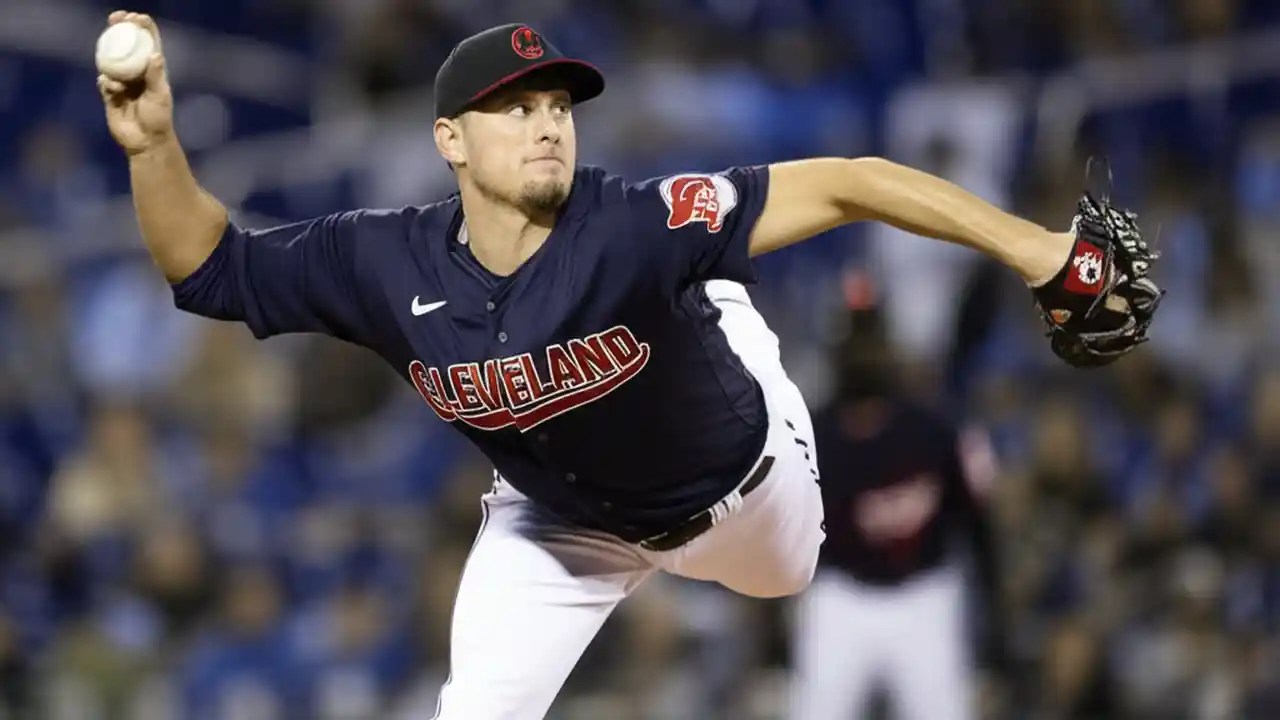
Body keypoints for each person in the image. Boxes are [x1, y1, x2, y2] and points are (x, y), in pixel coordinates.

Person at [97, 12, 1133, 719]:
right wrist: (152, 150)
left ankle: (723, 306)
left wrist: (1037, 249)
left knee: (787, 572)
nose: (548, 121)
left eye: (558, 103)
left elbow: (853, 183)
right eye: (518, 107)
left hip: (745, 494)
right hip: (560, 522)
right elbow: (212, 269)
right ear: (449, 140)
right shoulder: (381, 259)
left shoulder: (631, 224)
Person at [789, 272, 1006, 720]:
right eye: (853, 335)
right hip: (841, 599)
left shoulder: (936, 430)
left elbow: (978, 526)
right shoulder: (808, 436)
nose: (862, 350)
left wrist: (995, 625)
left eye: (870, 335)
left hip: (924, 597)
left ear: (888, 343)